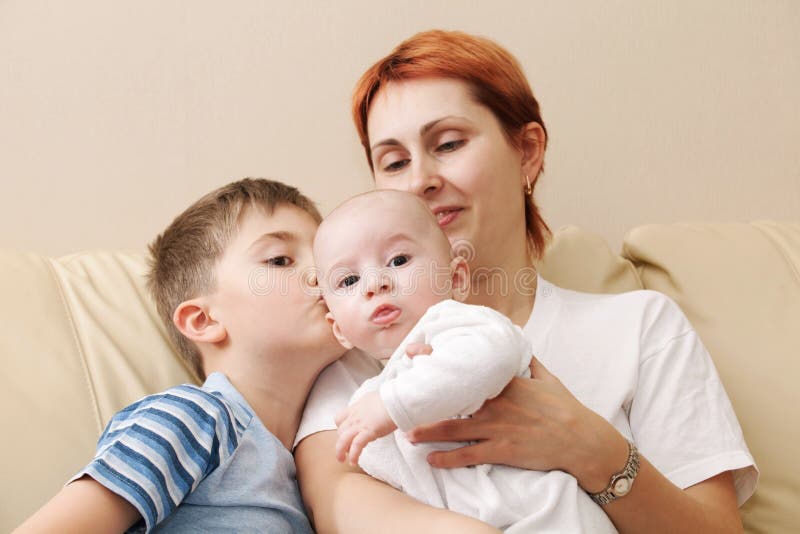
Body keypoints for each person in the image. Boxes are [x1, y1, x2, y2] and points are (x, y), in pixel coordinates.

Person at [295, 30, 758, 533]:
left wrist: (590, 447)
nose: (420, 179)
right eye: (395, 162)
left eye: (448, 144)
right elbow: (338, 501)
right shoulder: (351, 358)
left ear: (527, 152)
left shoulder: (641, 326)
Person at [314, 189, 617, 532]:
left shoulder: (462, 326)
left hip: (551, 519)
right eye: (349, 280)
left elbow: (488, 359)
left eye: (398, 261)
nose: (375, 283)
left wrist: (391, 405)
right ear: (338, 328)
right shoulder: (367, 398)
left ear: (456, 278)